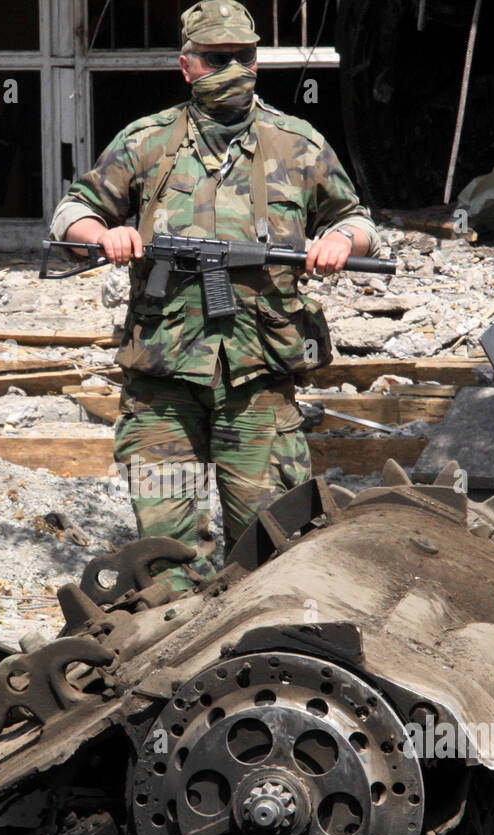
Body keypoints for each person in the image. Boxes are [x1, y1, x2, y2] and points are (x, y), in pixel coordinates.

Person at [50, 0, 379, 587]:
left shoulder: (296, 144)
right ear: (187, 66)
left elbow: (358, 220)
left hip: (258, 381)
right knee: (167, 550)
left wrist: (338, 240)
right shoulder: (147, 142)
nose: (231, 69)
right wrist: (106, 234)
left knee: (271, 545)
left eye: (243, 57)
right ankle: (171, 652)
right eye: (216, 58)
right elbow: (72, 212)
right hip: (162, 386)